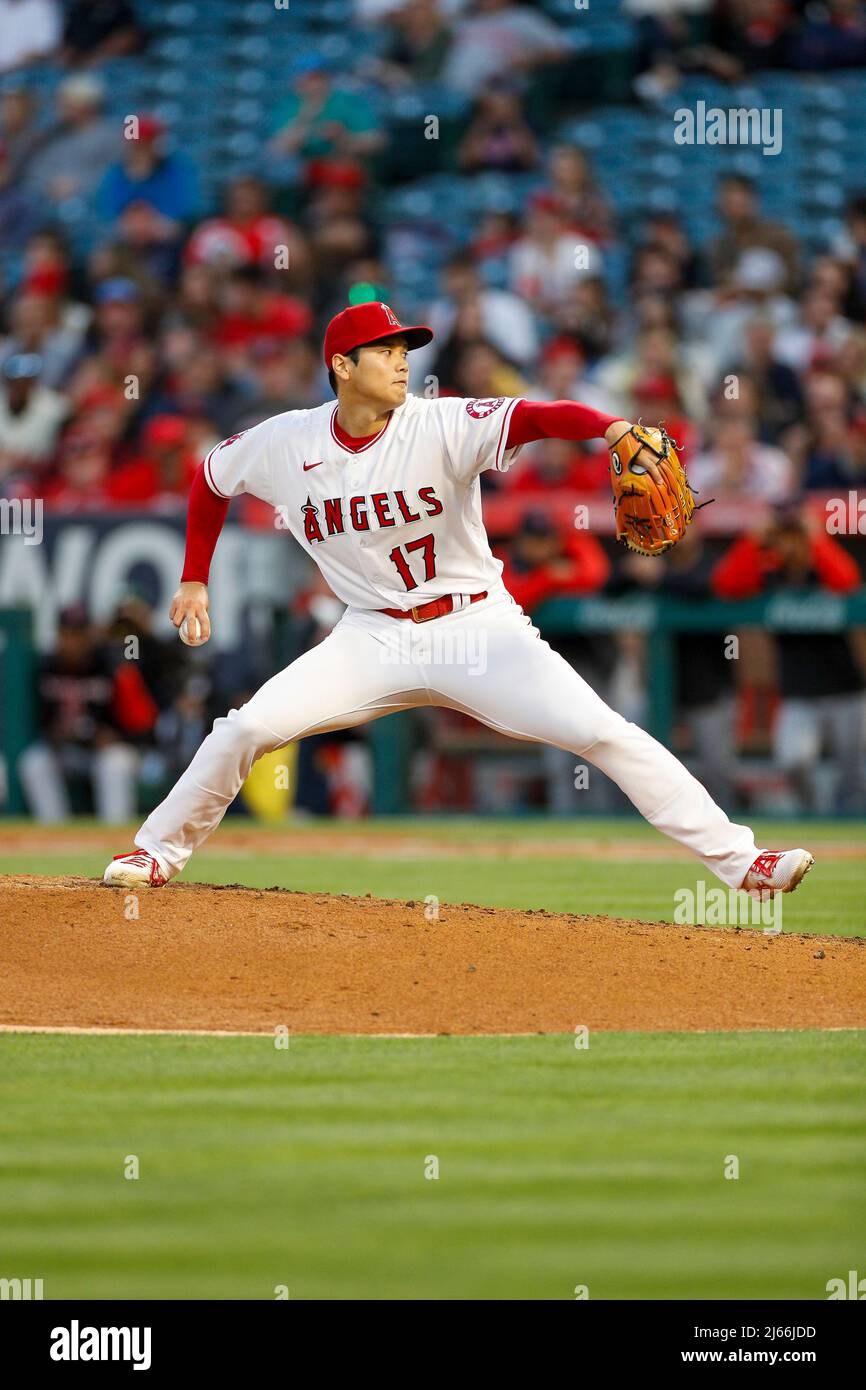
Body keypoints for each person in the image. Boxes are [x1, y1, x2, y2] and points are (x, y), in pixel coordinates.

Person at [104, 299, 813, 898]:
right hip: (370, 637)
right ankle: (155, 852)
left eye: (405, 348)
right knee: (245, 730)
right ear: (342, 368)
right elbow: (209, 477)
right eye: (384, 351)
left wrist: (611, 428)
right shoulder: (286, 441)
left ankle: (741, 862)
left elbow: (536, 417)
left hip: (478, 629)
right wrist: (194, 574)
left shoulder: (441, 421)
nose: (403, 360)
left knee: (604, 733)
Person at [712, 504, 866, 814]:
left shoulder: (821, 570)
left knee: (855, 776)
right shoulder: (770, 575)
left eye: (795, 536)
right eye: (783, 537)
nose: (789, 544)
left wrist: (817, 540)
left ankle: (845, 824)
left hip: (845, 689)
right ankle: (814, 814)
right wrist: (754, 538)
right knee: (793, 759)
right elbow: (725, 585)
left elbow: (847, 581)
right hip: (798, 692)